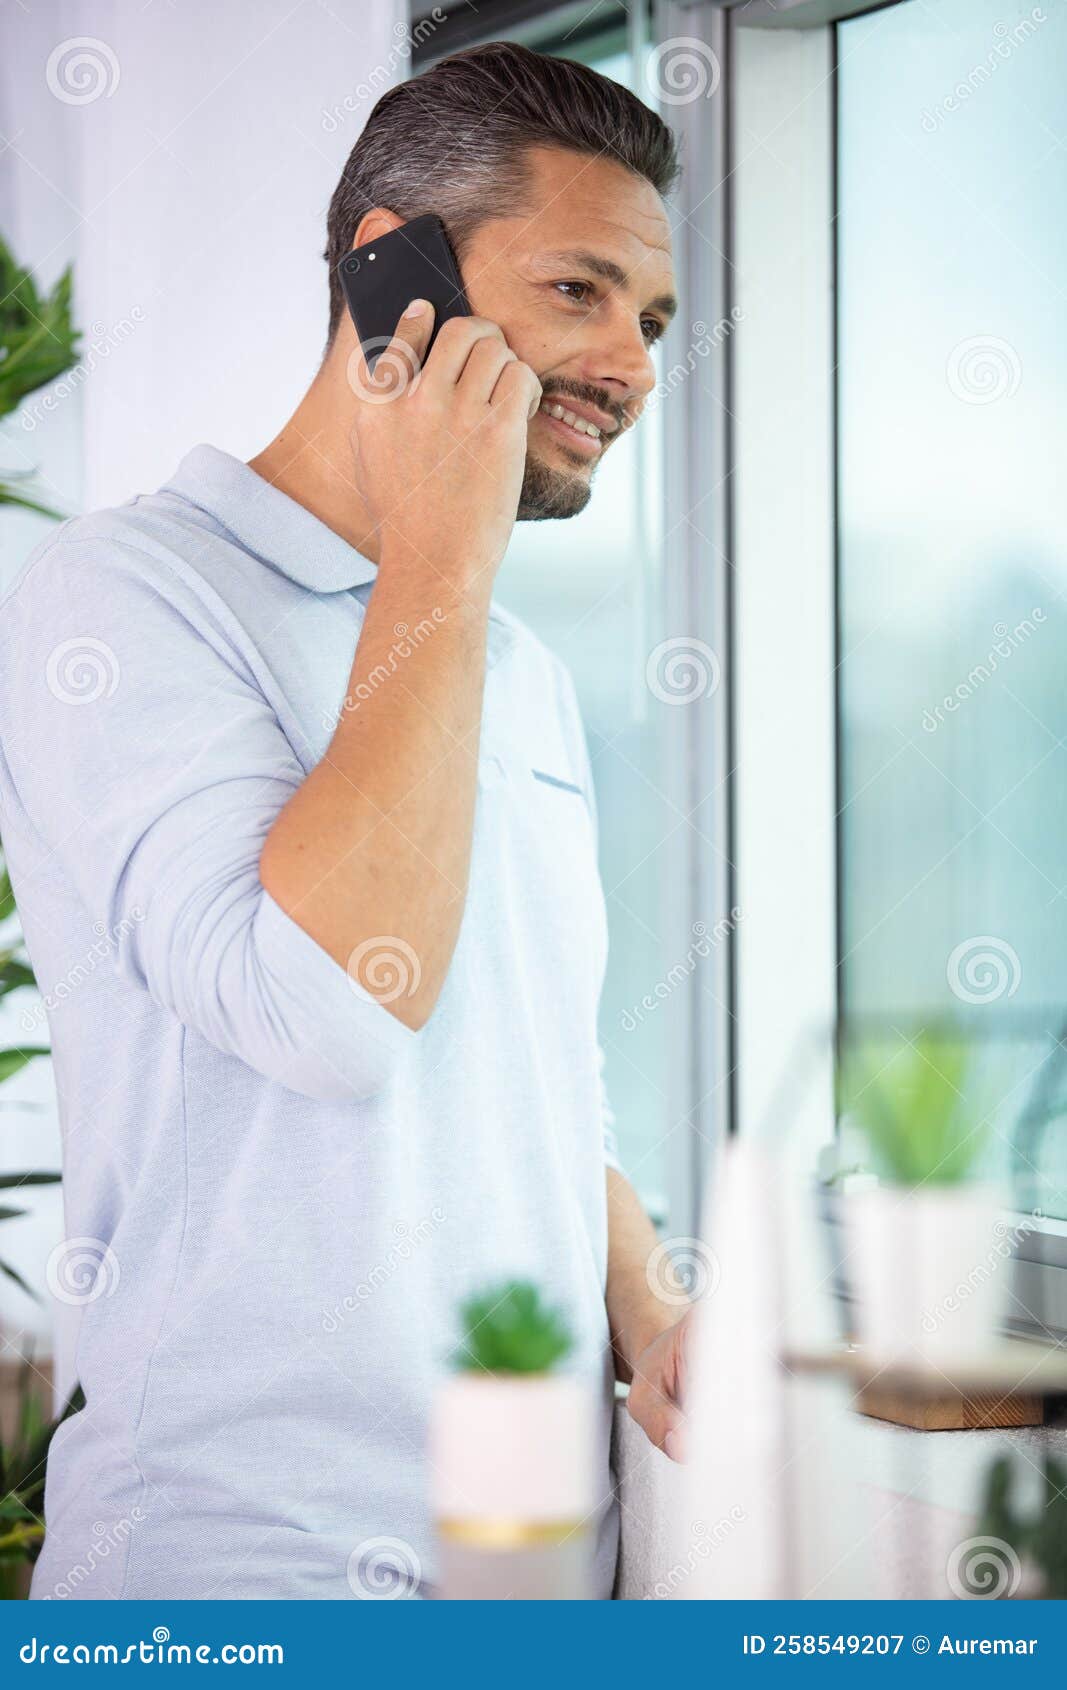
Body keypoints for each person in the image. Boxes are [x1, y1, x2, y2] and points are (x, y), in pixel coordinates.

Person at [0, 40, 690, 1601]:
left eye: (650, 321)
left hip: (532, 1571)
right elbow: (330, 1011)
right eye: (580, 292)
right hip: (247, 1571)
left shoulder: (514, 672)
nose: (636, 366)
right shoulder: (124, 599)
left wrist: (649, 1298)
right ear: (395, 277)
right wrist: (437, 551)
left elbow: (530, 1085)